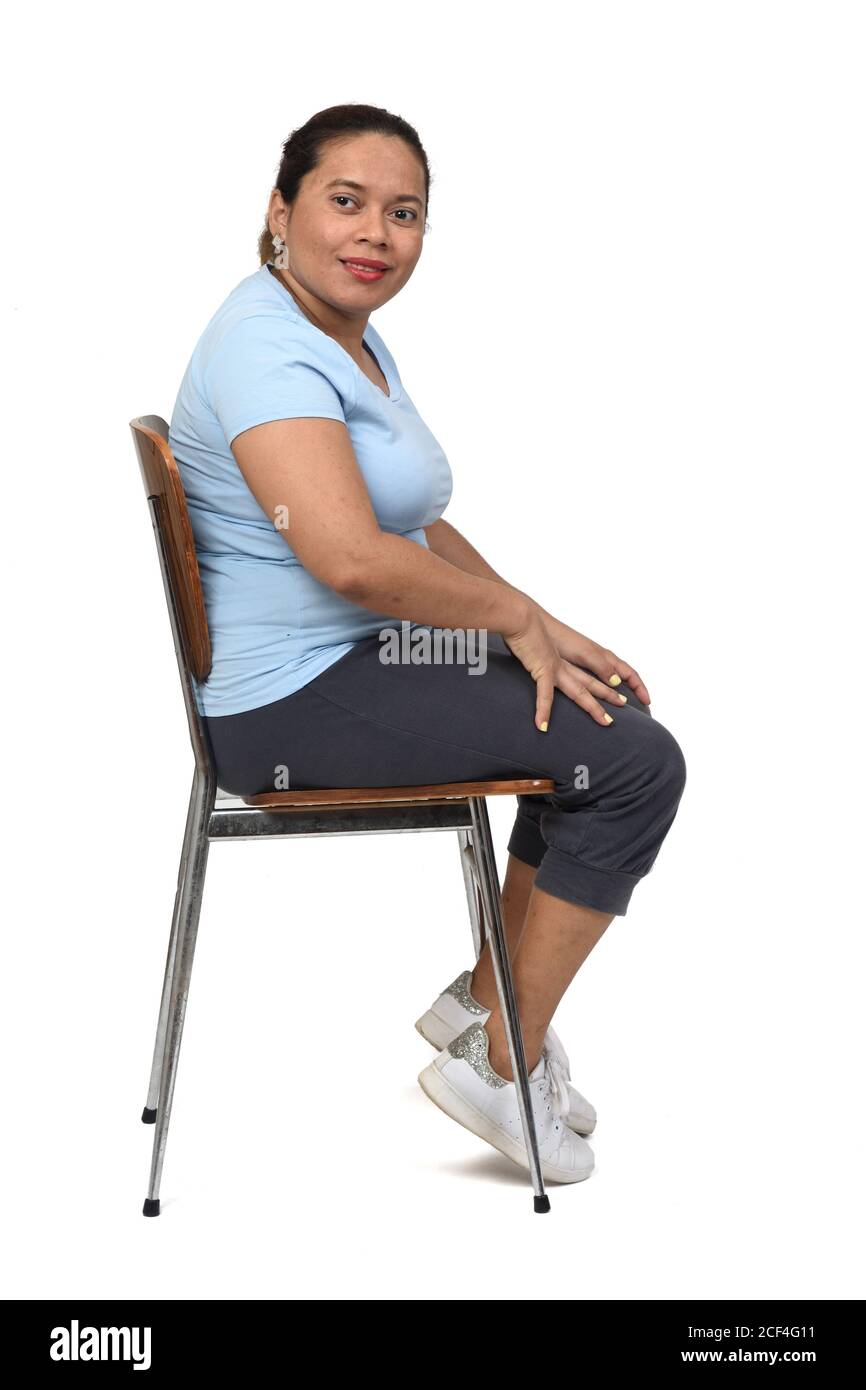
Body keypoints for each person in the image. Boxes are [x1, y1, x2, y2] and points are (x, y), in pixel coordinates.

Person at [168, 103, 687, 1188]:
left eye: (403, 214)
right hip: (291, 700)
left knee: (596, 714)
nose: (376, 234)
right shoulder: (265, 347)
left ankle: (488, 1004)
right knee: (636, 764)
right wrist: (511, 625)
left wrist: (542, 625)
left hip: (354, 658)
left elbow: (406, 528)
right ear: (280, 211)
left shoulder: (339, 333)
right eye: (345, 202)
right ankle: (501, 1058)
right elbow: (351, 559)